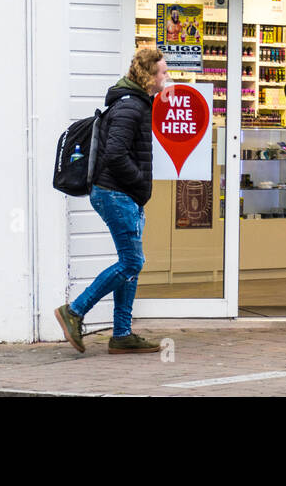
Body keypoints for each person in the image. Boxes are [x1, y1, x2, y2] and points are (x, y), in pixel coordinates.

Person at [55, 47, 170, 354]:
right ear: (148, 76)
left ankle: (121, 334)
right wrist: (139, 182)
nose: (166, 76)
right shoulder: (130, 107)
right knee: (132, 261)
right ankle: (75, 311)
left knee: (129, 263)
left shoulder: (137, 103)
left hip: (123, 195)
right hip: (116, 194)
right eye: (162, 71)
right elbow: (115, 154)